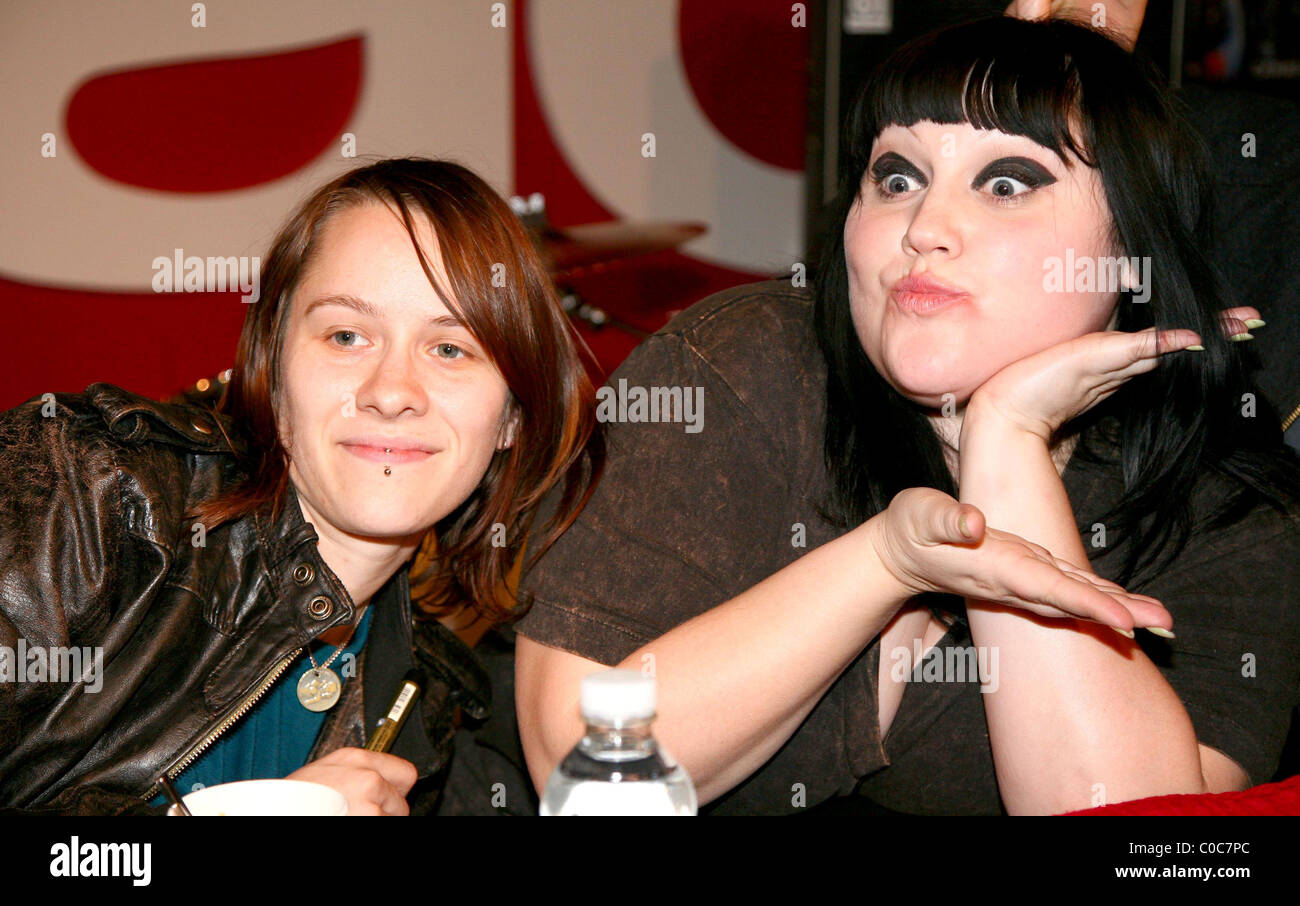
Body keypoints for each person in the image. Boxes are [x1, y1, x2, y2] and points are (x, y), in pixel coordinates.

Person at [514, 16, 1300, 815]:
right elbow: (588, 776)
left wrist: (1006, 442)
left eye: (1005, 184)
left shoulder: (1227, 507)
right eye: (897, 179)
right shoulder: (747, 363)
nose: (925, 229)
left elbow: (1145, 844)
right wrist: (888, 564)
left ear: (1134, 245)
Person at [0, 158, 601, 815]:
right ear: (274, 366)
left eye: (450, 349)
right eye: (347, 336)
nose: (392, 393)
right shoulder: (89, 491)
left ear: (513, 415)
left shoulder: (424, 701)